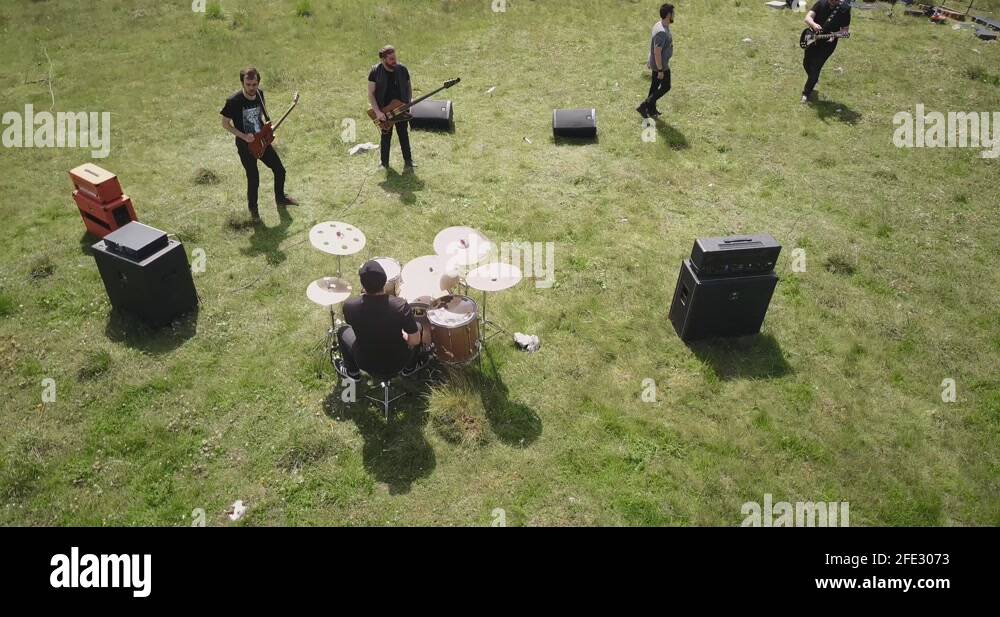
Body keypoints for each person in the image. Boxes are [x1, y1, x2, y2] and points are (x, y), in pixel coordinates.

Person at [220, 67, 297, 222]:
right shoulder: (233, 101)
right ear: (242, 82)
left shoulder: (260, 95)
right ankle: (254, 212)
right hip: (245, 146)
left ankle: (280, 198)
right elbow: (225, 124)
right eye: (248, 84)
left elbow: (261, 116)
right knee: (254, 178)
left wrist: (266, 130)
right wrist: (243, 136)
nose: (252, 88)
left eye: (254, 84)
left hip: (262, 141)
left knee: (280, 170)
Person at [335, 260, 428, 381]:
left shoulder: (350, 306)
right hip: (399, 360)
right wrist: (405, 336)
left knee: (343, 331)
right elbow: (414, 341)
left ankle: (353, 372)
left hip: (365, 361)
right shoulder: (400, 306)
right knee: (418, 327)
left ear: (363, 285)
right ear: (385, 281)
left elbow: (356, 325)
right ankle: (409, 368)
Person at [367, 46, 415, 169]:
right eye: (391, 59)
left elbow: (408, 87)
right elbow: (371, 93)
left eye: (395, 58)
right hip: (384, 110)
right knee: (385, 135)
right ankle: (384, 163)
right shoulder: (375, 71)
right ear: (383, 59)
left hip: (401, 107)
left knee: (403, 134)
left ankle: (408, 162)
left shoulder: (402, 69)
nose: (394, 61)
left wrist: (408, 103)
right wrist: (378, 112)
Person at [801, 0, 851, 104]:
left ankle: (806, 93)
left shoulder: (845, 9)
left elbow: (845, 31)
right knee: (806, 63)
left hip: (828, 44)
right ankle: (813, 79)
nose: (832, 2)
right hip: (812, 38)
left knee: (816, 67)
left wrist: (835, 34)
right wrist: (813, 24)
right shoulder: (821, 3)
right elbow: (808, 18)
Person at [637, 4, 675, 120]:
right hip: (661, 65)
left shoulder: (660, 24)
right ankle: (644, 106)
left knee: (654, 86)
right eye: (673, 13)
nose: (674, 15)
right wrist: (660, 69)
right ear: (668, 15)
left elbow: (653, 46)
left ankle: (651, 109)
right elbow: (657, 52)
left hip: (657, 63)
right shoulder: (661, 32)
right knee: (666, 86)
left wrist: (650, 59)